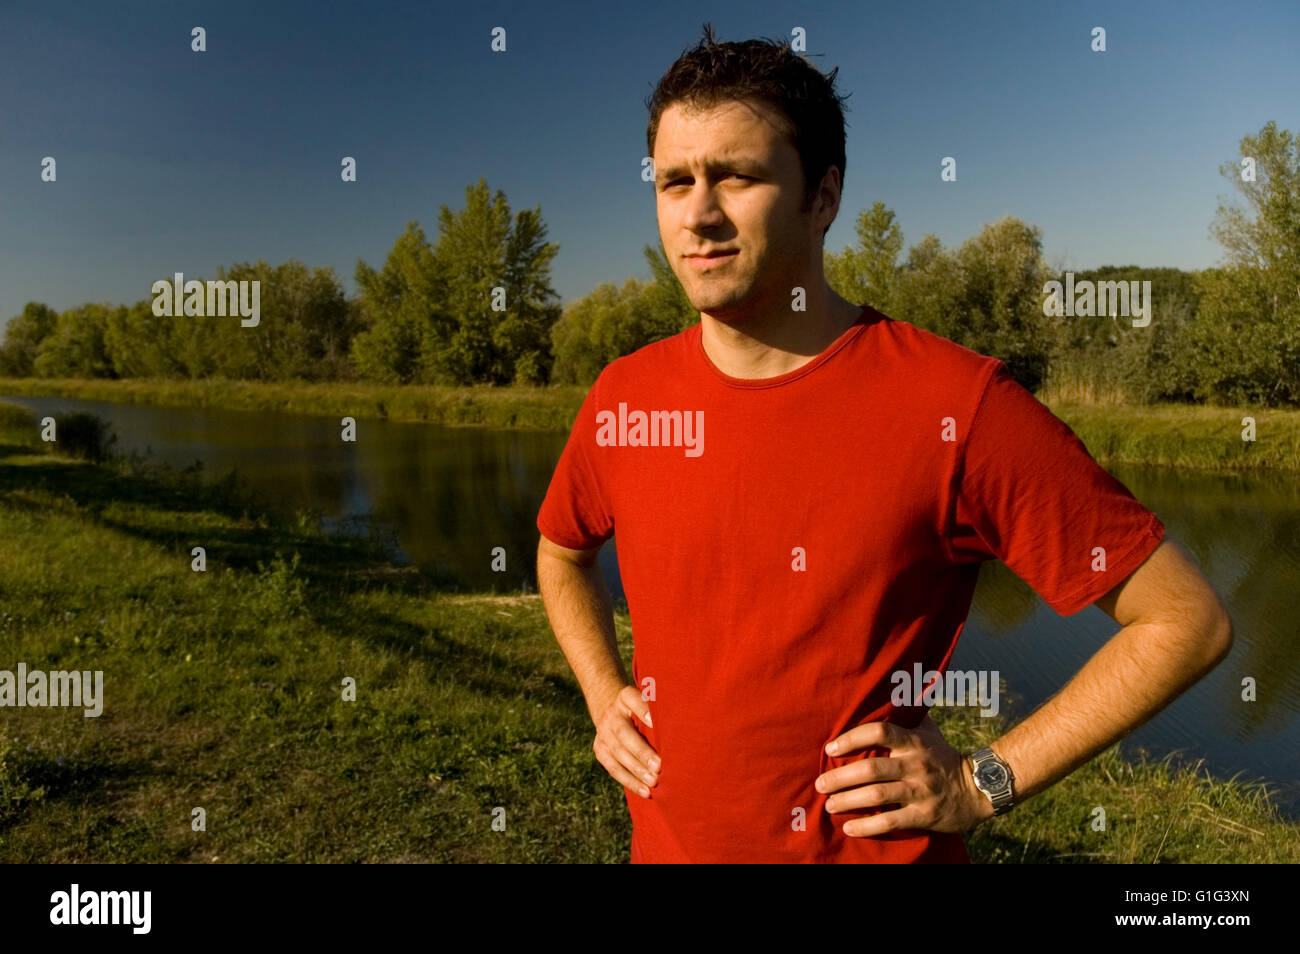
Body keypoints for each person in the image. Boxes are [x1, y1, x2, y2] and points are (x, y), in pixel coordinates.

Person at [535, 25, 1233, 863]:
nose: (699, 214)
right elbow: (560, 551)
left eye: (737, 177)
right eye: (674, 181)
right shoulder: (625, 395)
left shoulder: (955, 404)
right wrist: (602, 690)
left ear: (823, 196)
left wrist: (984, 782)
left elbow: (1184, 622)